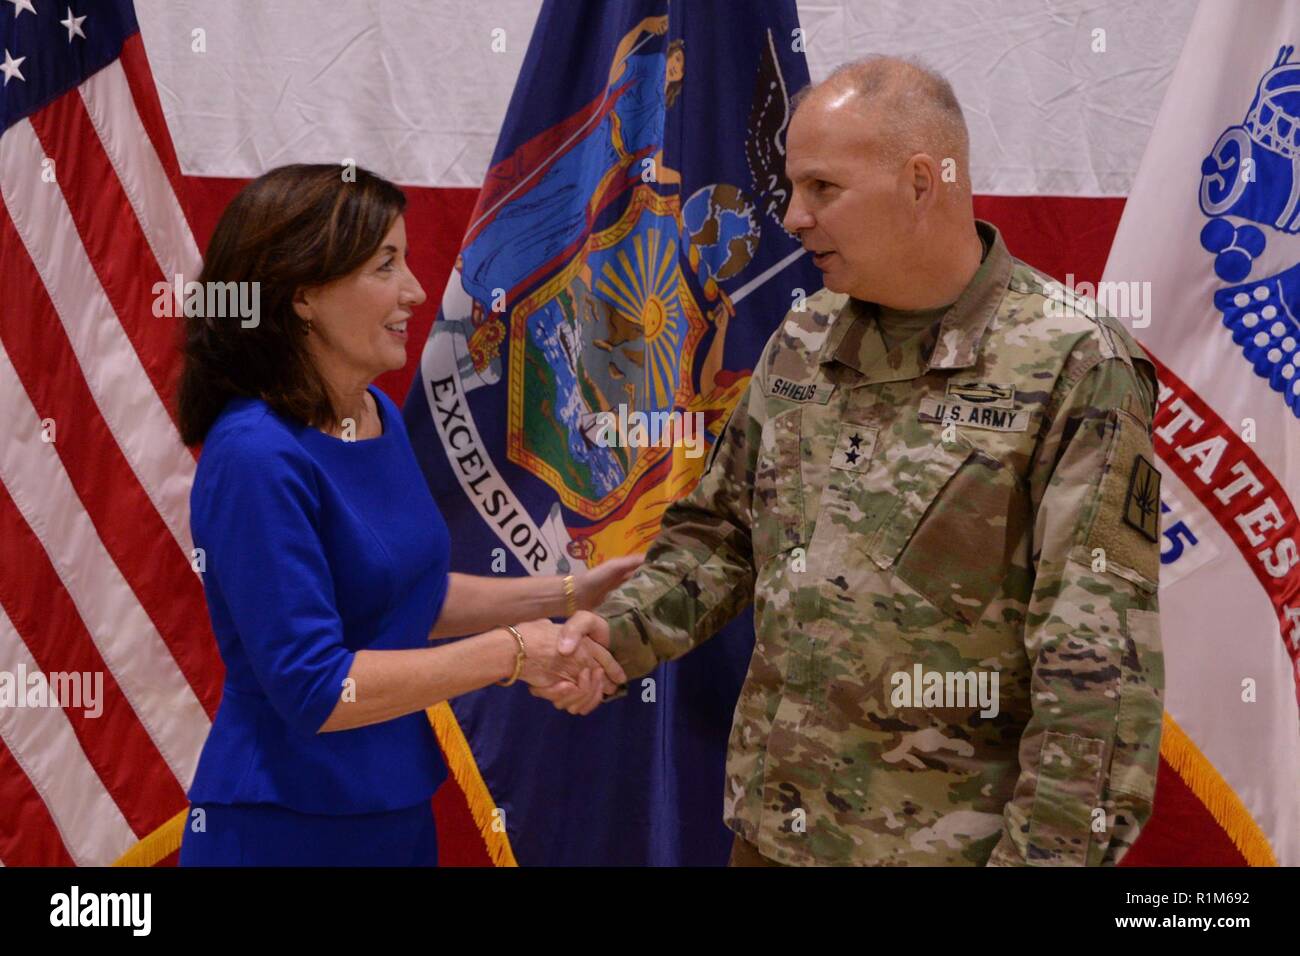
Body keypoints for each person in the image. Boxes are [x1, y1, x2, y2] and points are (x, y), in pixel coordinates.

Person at [548, 56, 1166, 866]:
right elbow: (721, 536)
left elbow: (1096, 674)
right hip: (774, 835)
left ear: (920, 181)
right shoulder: (805, 339)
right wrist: (617, 634)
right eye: (793, 189)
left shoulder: (1074, 362)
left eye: (821, 188)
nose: (794, 217)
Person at [175, 164, 634, 866]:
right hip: (287, 828)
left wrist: (570, 592)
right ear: (303, 294)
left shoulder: (373, 414)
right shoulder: (254, 457)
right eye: (386, 264)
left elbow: (403, 597)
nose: (416, 292)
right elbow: (317, 687)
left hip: (393, 813)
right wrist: (513, 654)